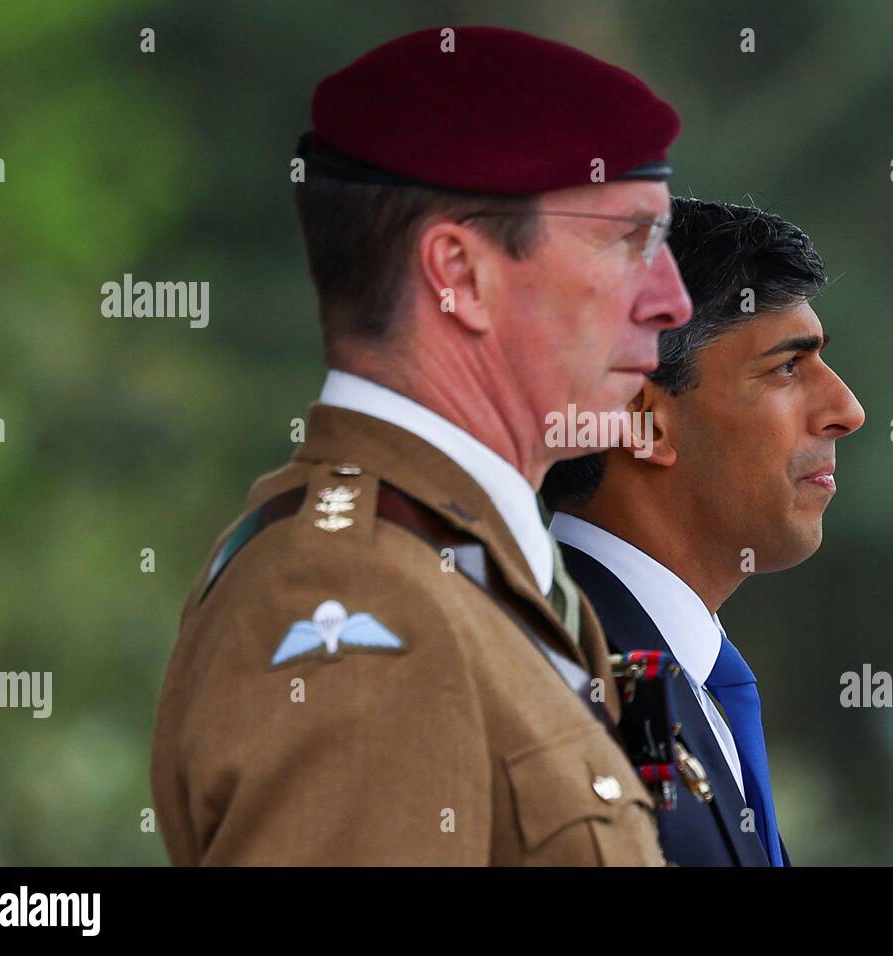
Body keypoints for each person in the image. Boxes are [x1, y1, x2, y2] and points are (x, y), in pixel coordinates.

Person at [150, 25, 692, 865]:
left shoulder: (468, 566)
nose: (673, 300)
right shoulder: (358, 604)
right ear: (460, 274)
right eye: (631, 240)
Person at [542, 197, 866, 866]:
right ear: (644, 421)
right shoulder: (548, 681)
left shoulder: (663, 669)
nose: (846, 410)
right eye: (785, 367)